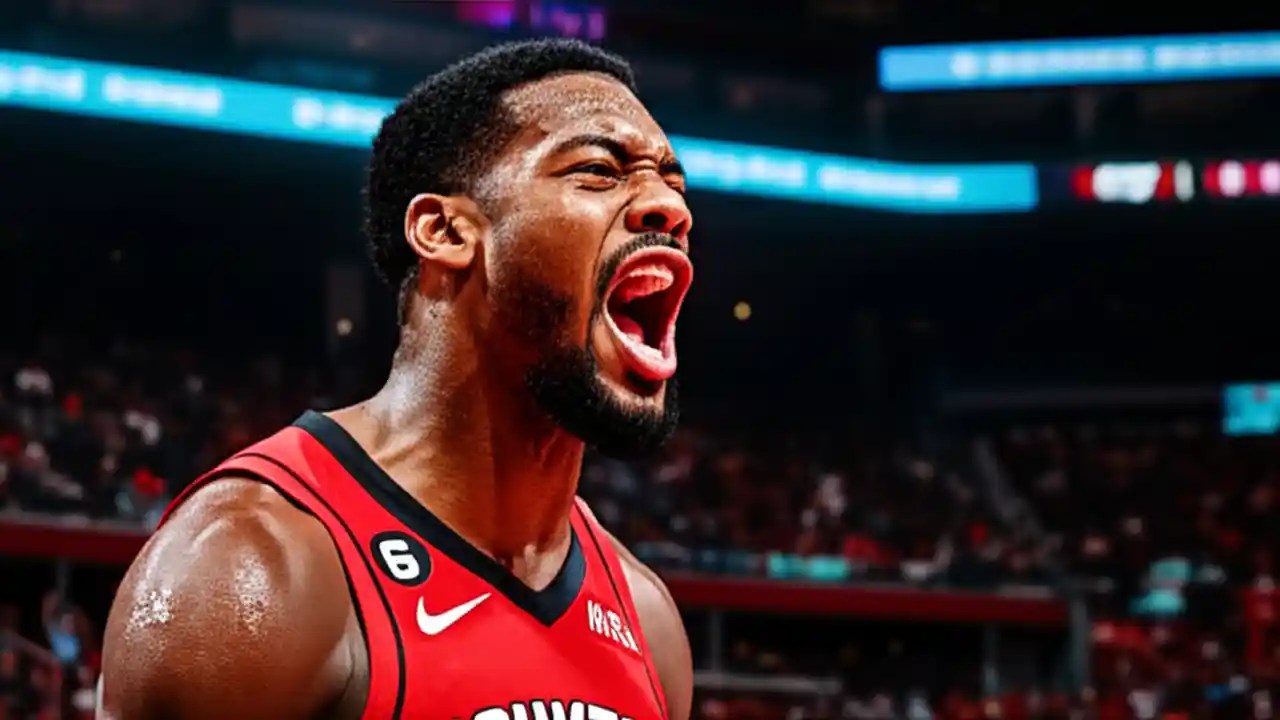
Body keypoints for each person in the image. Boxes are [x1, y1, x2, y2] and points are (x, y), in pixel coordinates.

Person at [98, 38, 695, 720]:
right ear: (442, 230)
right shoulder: (254, 570)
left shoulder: (646, 621)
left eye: (674, 184)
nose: (669, 210)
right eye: (598, 170)